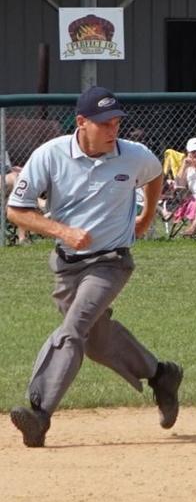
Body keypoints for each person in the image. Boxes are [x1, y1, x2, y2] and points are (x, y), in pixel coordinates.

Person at [5, 86, 184, 447]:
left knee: (73, 331)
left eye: (117, 121)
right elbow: (16, 210)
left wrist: (146, 217)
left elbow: (153, 176)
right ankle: (161, 374)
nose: (113, 129)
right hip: (67, 266)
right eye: (104, 123)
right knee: (96, 343)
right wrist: (62, 231)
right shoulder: (50, 155)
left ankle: (39, 414)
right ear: (82, 122)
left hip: (110, 263)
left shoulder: (133, 155)